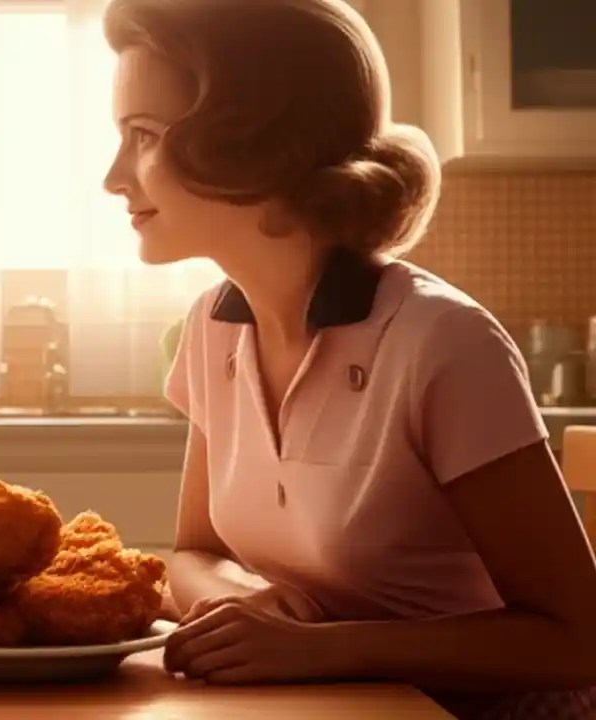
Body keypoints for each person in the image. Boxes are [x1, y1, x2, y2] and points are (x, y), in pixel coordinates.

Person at [100, 0, 596, 717]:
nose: (114, 177)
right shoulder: (213, 325)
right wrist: (245, 598)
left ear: (255, 142)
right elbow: (192, 554)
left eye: (143, 136)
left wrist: (324, 647)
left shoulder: (443, 344)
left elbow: (577, 640)